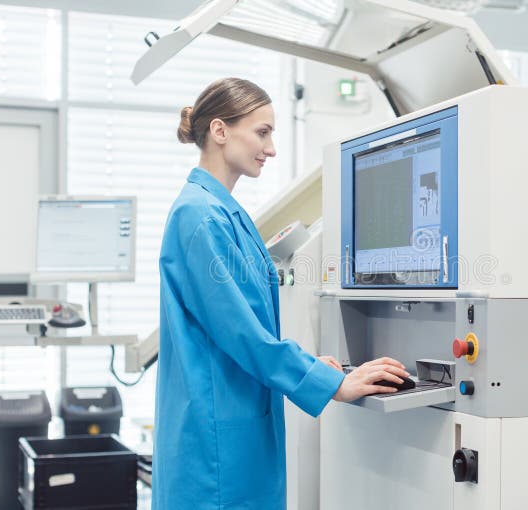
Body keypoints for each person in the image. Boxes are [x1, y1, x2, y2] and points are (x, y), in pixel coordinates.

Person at [153, 77, 410, 510]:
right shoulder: (202, 218)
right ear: (219, 131)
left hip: (237, 420)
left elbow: (249, 325)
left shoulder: (223, 212)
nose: (270, 148)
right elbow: (244, 336)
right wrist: (332, 384)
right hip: (215, 446)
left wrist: (311, 365)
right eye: (262, 132)